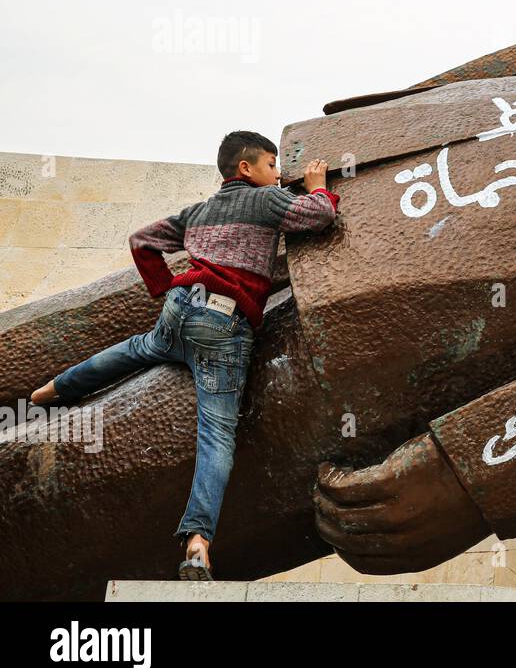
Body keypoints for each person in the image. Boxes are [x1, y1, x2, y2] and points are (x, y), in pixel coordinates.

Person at [29, 131, 339, 581]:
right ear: (246, 169)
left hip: (180, 309)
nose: (278, 174)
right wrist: (317, 186)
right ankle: (197, 541)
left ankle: (47, 393)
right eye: (273, 165)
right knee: (217, 432)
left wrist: (163, 287)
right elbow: (321, 216)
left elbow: (141, 240)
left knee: (141, 347)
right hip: (221, 324)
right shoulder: (265, 202)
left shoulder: (198, 212)